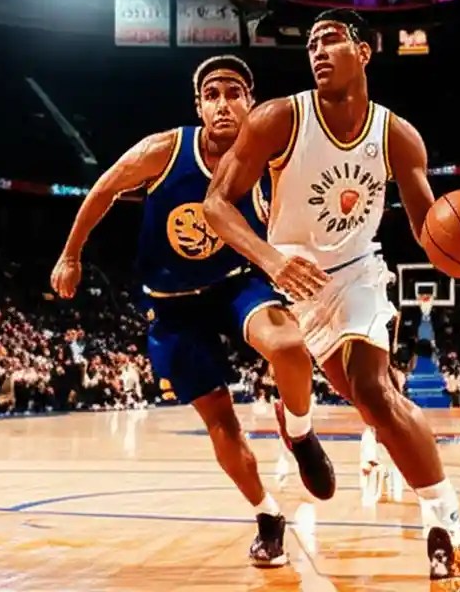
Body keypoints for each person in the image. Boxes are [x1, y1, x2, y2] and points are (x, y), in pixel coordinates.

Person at [203, 9, 460, 591]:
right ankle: (300, 427)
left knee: (375, 392)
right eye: (311, 43)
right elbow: (217, 205)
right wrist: (271, 259)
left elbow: (429, 227)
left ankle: (447, 534)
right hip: (290, 281)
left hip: (359, 273)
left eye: (331, 39)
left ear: (363, 53)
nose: (317, 50)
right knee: (350, 390)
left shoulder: (397, 134)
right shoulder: (278, 119)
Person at [50, 55, 334, 567]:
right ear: (199, 106)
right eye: (213, 95)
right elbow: (103, 188)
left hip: (234, 286)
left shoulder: (272, 159)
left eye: (234, 93)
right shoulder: (165, 149)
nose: (223, 104)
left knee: (291, 347)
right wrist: (70, 255)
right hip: (172, 306)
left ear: (252, 102)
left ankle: (299, 430)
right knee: (223, 425)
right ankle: (268, 516)